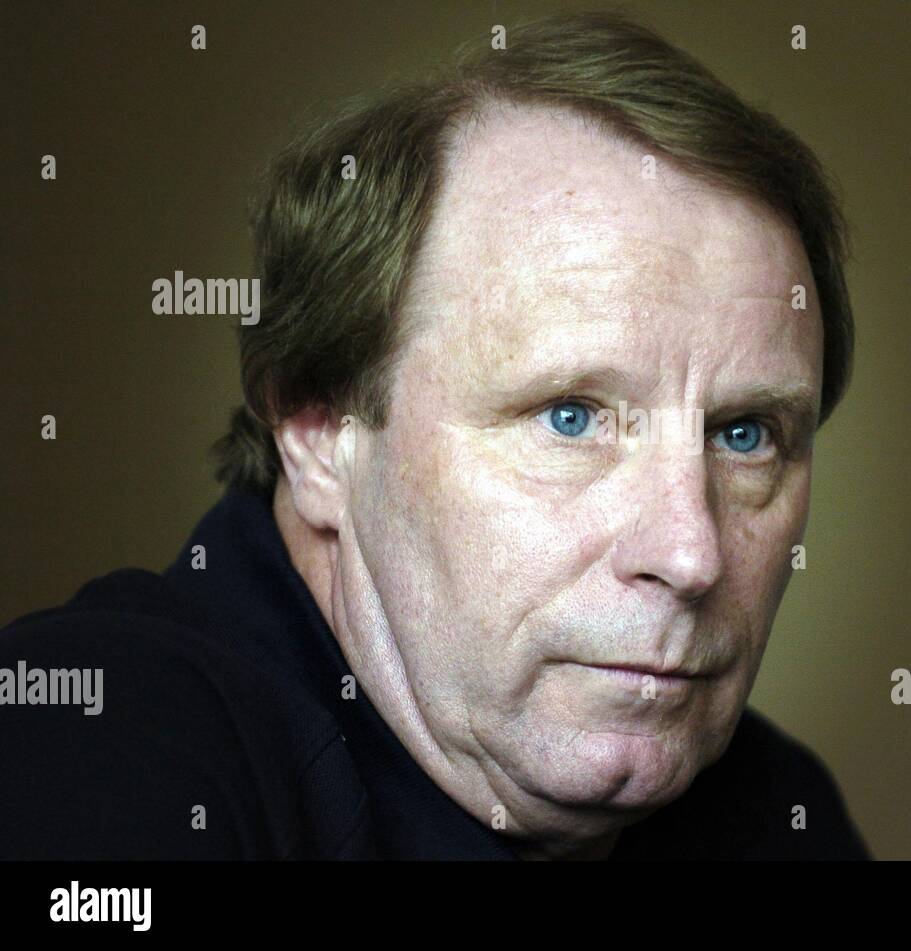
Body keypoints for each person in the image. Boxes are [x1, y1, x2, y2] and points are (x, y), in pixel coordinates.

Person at [0, 10, 867, 860]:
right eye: (570, 418)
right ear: (317, 431)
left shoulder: (776, 813)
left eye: (746, 433)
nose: (691, 554)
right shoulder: (88, 747)